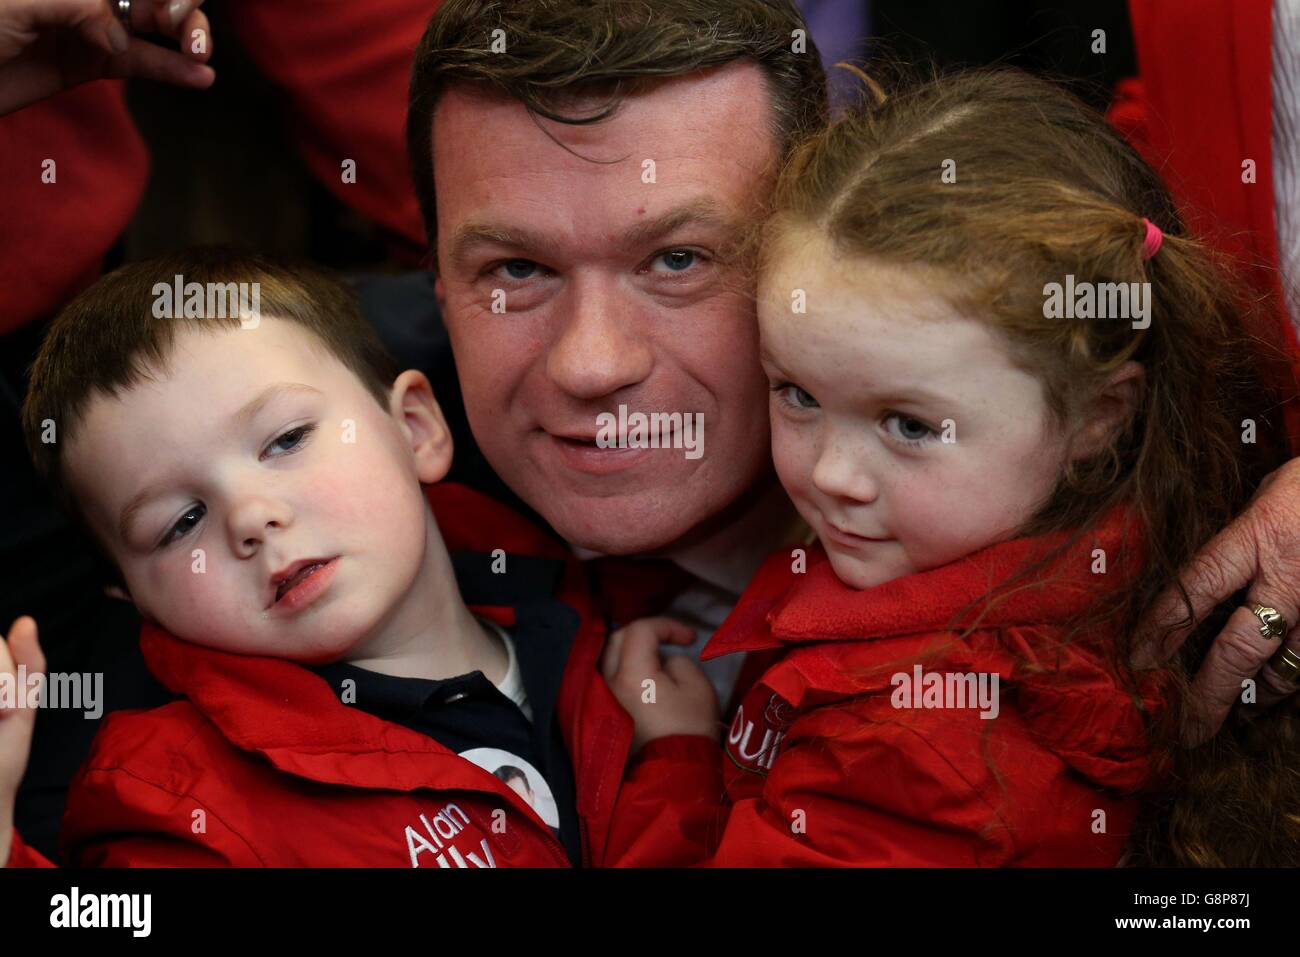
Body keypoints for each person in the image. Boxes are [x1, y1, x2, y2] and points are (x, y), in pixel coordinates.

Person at [603, 67, 1297, 866]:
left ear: (1097, 417)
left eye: (907, 423)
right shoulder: (1110, 545)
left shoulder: (921, 755)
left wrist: (673, 761)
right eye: (796, 393)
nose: (832, 472)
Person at [0, 248, 714, 868]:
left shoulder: (597, 620)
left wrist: (673, 758)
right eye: (181, 522)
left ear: (415, 427)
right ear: (132, 598)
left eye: (285, 440)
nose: (252, 517)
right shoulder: (181, 805)